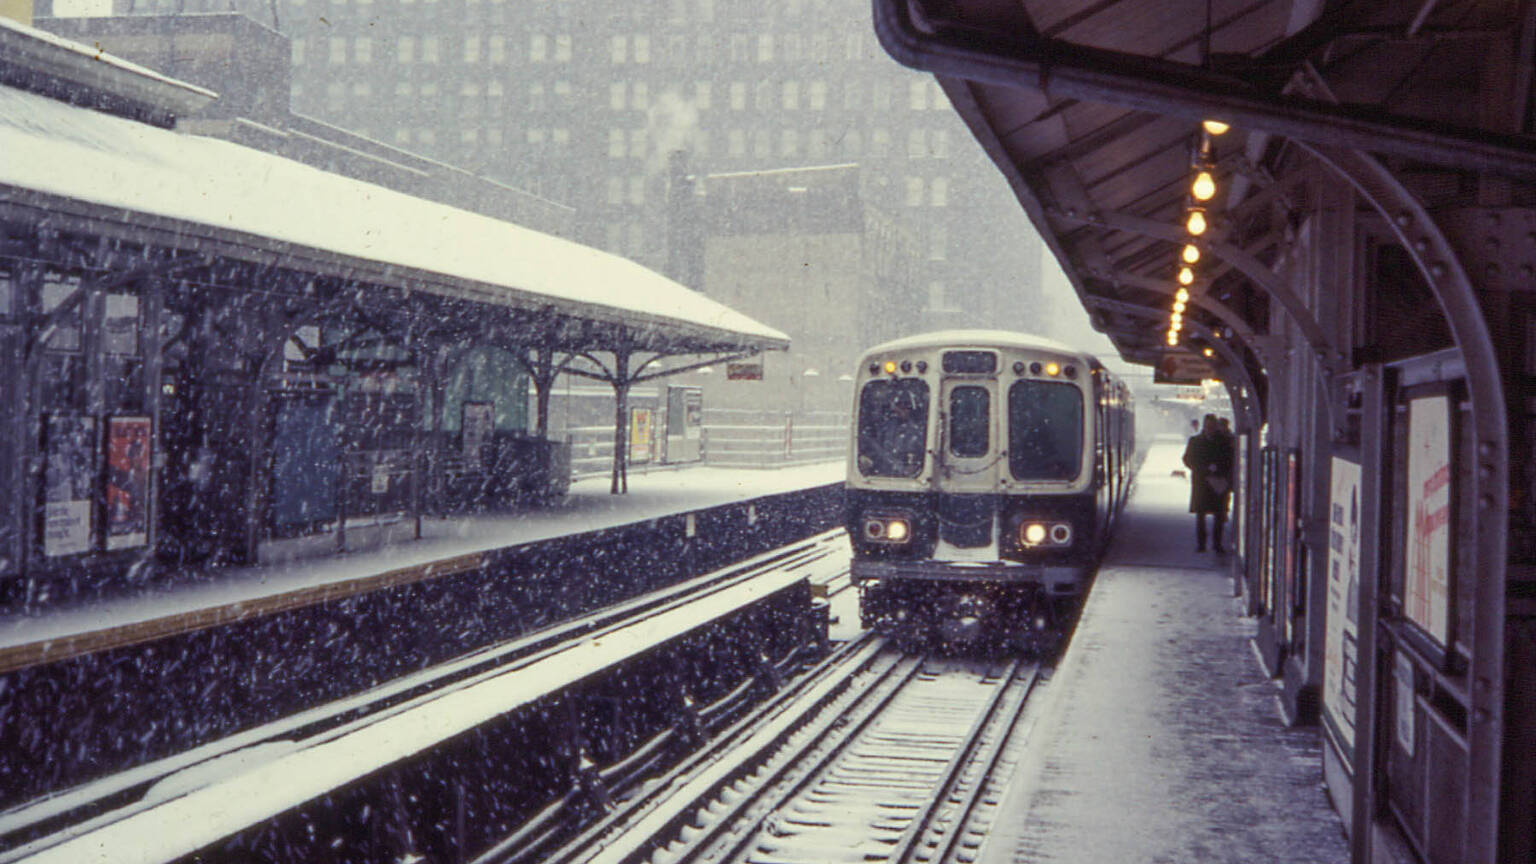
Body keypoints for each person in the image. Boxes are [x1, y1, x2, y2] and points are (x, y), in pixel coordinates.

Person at [1183, 413, 1235, 552]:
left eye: (1212, 427)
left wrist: (1219, 468)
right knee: (1201, 515)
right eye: (1208, 426)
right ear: (1204, 426)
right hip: (1202, 482)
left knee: (1219, 515)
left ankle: (1217, 544)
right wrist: (1204, 468)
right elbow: (1187, 459)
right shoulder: (1195, 441)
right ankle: (1201, 544)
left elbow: (1230, 460)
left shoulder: (1223, 442)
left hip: (1218, 482)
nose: (1210, 429)